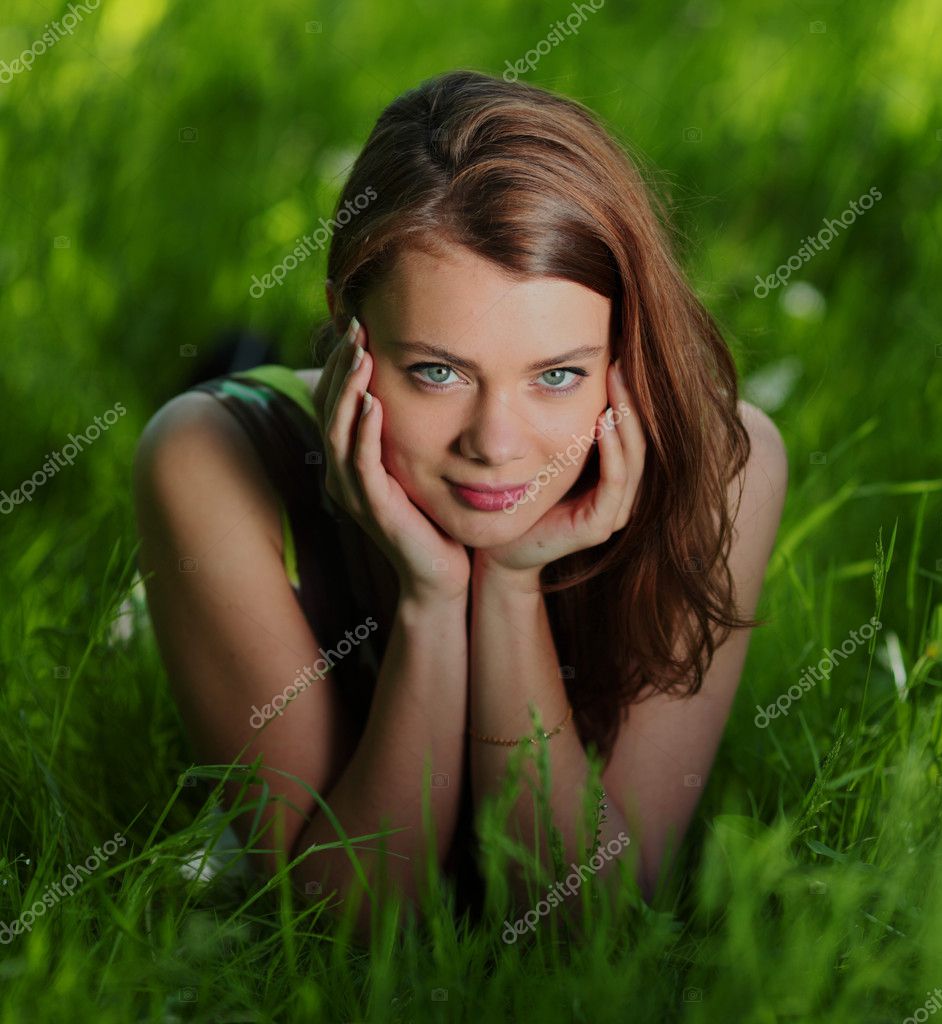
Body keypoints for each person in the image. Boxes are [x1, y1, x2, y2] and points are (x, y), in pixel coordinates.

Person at [132, 69, 788, 942]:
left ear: (624, 350)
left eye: (558, 375)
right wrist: (432, 599)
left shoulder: (726, 466)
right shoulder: (204, 456)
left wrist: (511, 582)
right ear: (347, 324)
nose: (497, 443)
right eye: (437, 371)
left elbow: (586, 920)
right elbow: (344, 926)